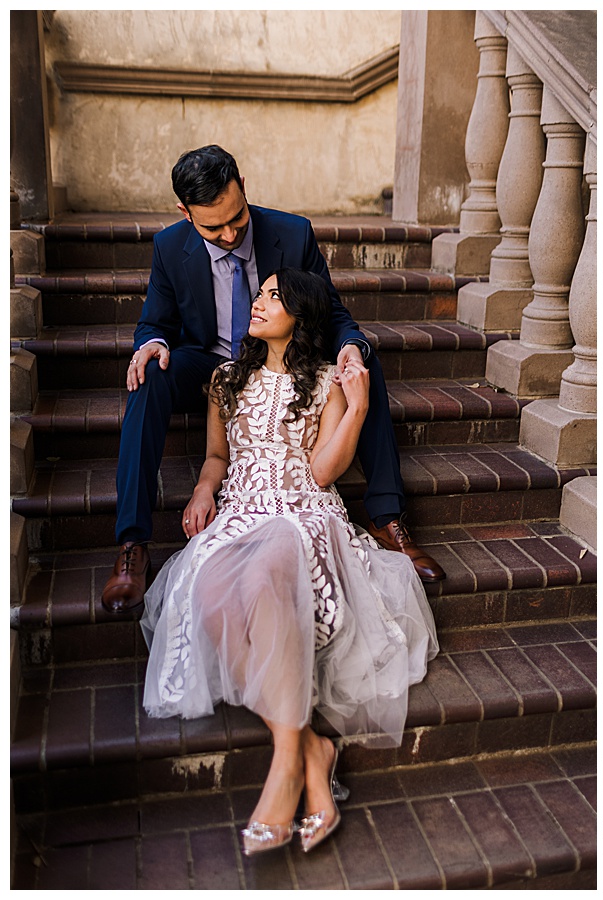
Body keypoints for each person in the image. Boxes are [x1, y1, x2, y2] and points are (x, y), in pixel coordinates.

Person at [139, 267, 439, 856]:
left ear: (300, 315)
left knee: (272, 559)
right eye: (259, 293)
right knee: (210, 586)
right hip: (238, 511)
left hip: (303, 509)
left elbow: (324, 471)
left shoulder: (327, 382)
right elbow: (215, 456)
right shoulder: (226, 379)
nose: (259, 301)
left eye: (274, 296)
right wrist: (204, 489)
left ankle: (284, 773)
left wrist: (356, 407)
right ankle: (310, 751)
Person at [104, 144, 444, 614]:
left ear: (243, 187)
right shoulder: (168, 247)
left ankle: (389, 520)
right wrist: (152, 344)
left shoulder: (292, 233)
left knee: (364, 363)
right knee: (147, 377)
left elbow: (333, 313)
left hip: (282, 358)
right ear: (185, 212)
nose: (227, 234)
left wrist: (349, 348)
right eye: (211, 227)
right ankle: (133, 545)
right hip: (212, 364)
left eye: (235, 219)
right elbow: (153, 323)